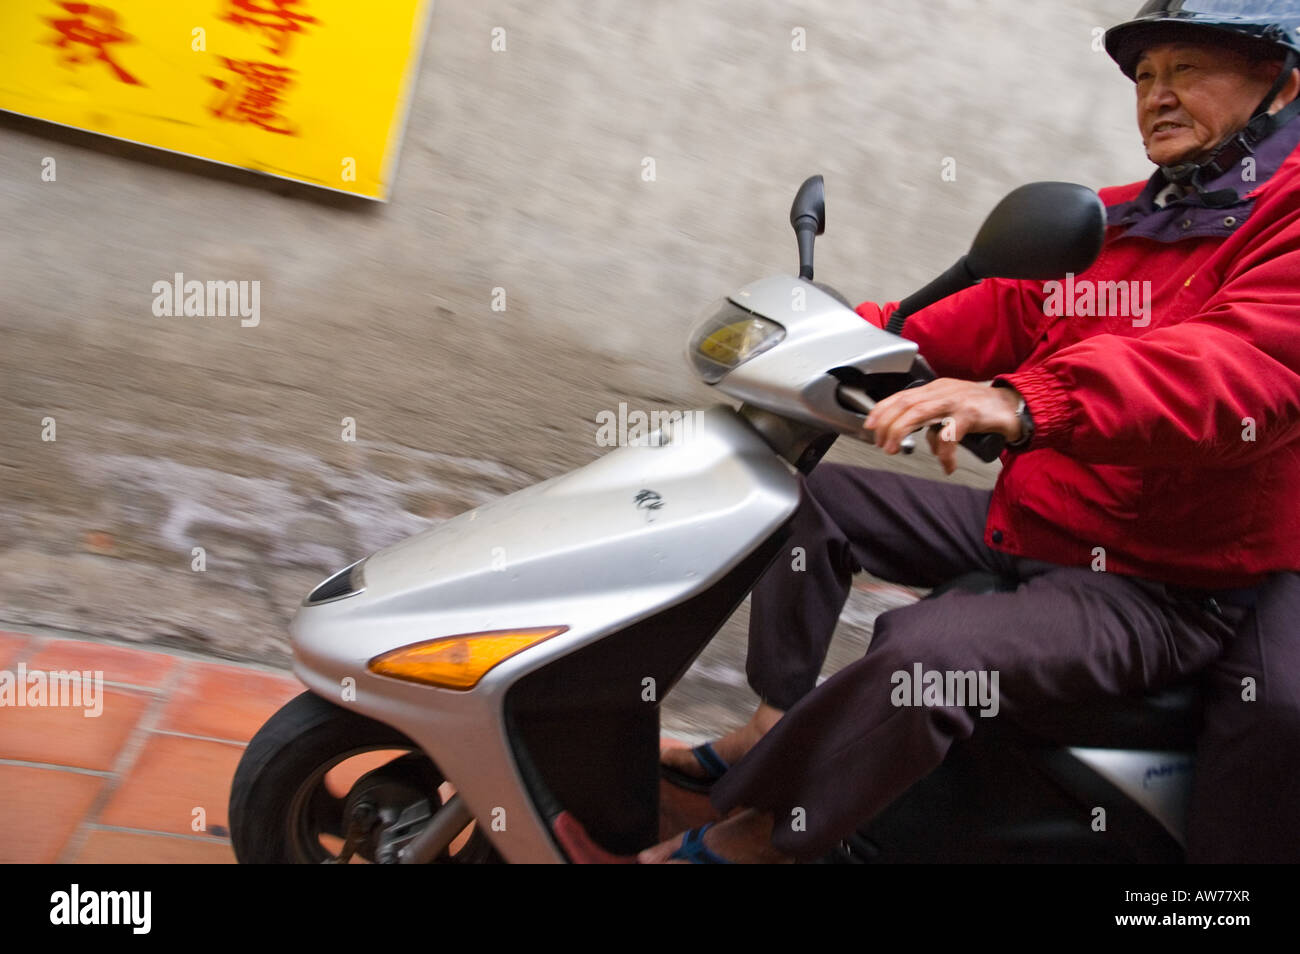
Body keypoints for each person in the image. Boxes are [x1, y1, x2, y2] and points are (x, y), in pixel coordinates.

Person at [645, 0, 1300, 863]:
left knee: (931, 652)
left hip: (1162, 580)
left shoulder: (1284, 223)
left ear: (1281, 83)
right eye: (1145, 76)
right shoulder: (1121, 221)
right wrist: (835, 336)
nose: (1158, 96)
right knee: (801, 504)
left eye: (1189, 69)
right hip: (1040, 522)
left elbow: (1231, 372)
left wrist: (1026, 401)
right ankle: (769, 725)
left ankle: (755, 843)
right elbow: (982, 315)